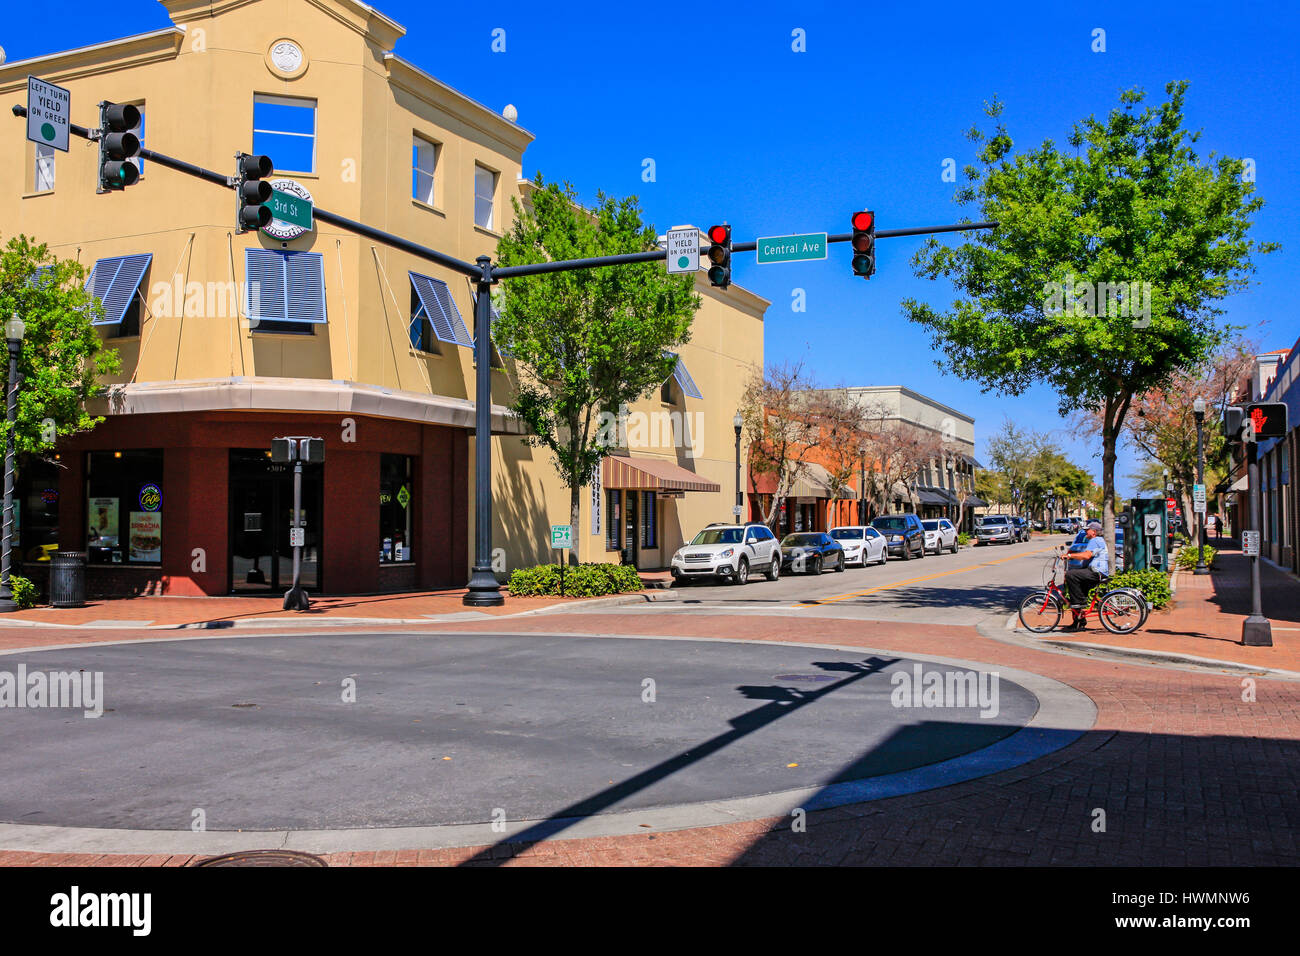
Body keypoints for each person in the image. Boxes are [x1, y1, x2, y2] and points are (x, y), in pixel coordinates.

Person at [1060, 520, 1110, 630]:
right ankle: (1079, 620)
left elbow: (1086, 556)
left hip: (1096, 572)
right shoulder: (1100, 540)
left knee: (1070, 575)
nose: (1086, 532)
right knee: (1078, 587)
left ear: (1094, 532)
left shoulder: (1095, 540)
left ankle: (1079, 604)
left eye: (1088, 530)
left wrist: (1069, 555)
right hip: (1099, 572)